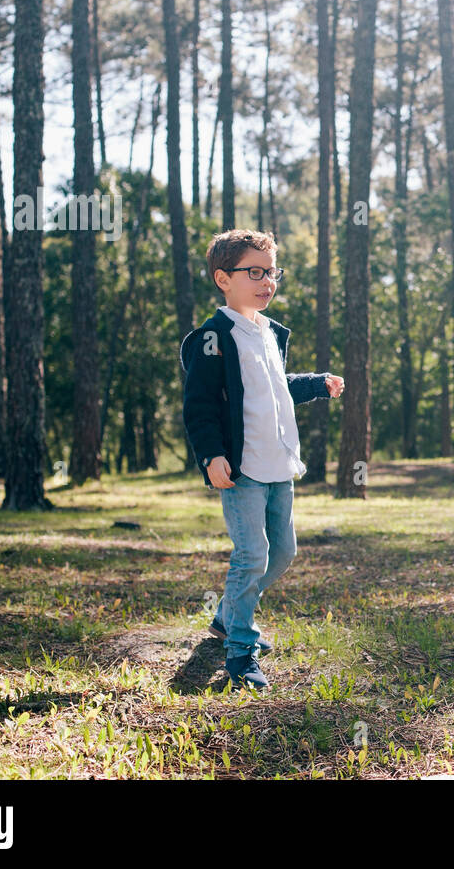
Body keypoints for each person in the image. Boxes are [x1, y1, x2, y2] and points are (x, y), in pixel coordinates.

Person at [180, 228, 344, 690]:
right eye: (254, 272)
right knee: (251, 556)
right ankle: (240, 650)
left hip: (278, 464)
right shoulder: (211, 338)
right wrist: (211, 455)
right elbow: (201, 404)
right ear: (222, 278)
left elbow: (274, 388)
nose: (266, 281)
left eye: (272, 272)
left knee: (282, 553)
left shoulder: (269, 333)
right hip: (243, 467)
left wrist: (316, 382)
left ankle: (227, 617)